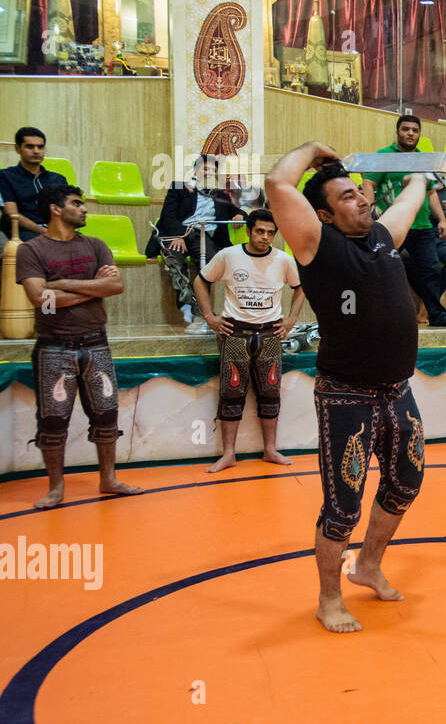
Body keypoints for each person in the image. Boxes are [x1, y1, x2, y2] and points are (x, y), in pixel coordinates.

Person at [265, 143, 431, 634]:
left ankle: (369, 565)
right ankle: (328, 598)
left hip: (398, 390)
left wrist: (422, 171)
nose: (361, 199)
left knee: (406, 483)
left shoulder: (382, 236)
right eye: (346, 196)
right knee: (343, 506)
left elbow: (412, 198)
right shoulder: (316, 244)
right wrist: (314, 151)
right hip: (347, 395)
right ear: (323, 214)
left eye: (360, 191)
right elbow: (278, 185)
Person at [15, 185, 143, 509]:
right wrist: (94, 290)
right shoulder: (32, 250)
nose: (83, 209)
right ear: (56, 209)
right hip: (53, 346)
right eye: (76, 204)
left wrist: (61, 285)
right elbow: (40, 301)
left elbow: (116, 285)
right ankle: (56, 488)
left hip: (97, 342)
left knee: (107, 414)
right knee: (54, 420)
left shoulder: (96, 245)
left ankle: (108, 479)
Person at [192, 207, 307, 473]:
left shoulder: (283, 260)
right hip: (235, 333)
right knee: (231, 392)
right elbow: (200, 281)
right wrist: (209, 316)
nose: (265, 237)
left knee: (270, 391)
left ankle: (270, 450)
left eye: (270, 233)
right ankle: (229, 454)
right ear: (248, 230)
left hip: (269, 334)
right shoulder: (228, 256)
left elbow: (300, 288)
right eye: (260, 231)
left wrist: (291, 320)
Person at [360, 115, 446, 327]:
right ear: (397, 132)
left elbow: (432, 193)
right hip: (392, 226)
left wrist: (441, 219)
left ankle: (436, 316)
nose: (410, 133)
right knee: (382, 268)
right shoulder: (384, 155)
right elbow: (368, 183)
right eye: (405, 129)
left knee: (431, 269)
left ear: (419, 134)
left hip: (423, 226)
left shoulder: (424, 158)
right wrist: (368, 212)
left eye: (415, 130)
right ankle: (376, 315)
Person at [148, 155, 247, 327]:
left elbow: (238, 212)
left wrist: (240, 215)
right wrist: (178, 235)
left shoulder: (221, 194)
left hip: (204, 236)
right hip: (179, 233)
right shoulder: (179, 187)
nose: (209, 173)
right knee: (174, 260)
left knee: (208, 263)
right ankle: (188, 305)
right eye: (206, 169)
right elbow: (168, 215)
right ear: (195, 170)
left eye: (213, 171)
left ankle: (199, 310)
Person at [3, 127, 68, 242]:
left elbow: (66, 209)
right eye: (30, 146)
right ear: (18, 149)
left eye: (40, 147)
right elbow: (11, 213)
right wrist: (42, 231)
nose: (36, 151)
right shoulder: (6, 176)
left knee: (88, 244)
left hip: (55, 230)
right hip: (22, 232)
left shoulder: (58, 179)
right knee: (46, 245)